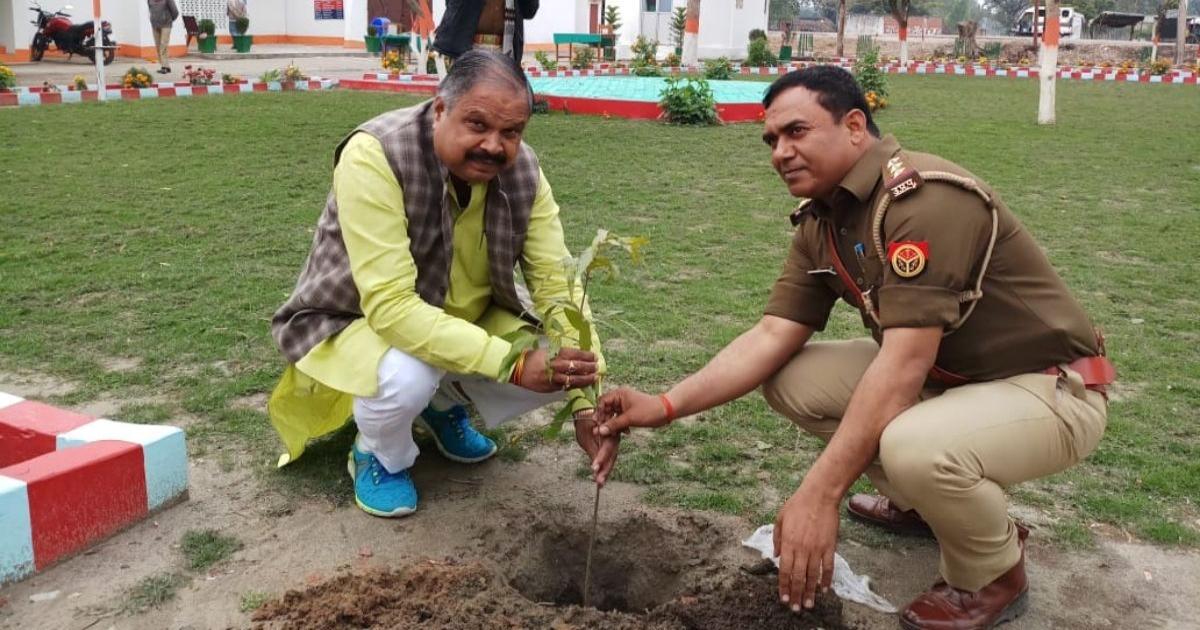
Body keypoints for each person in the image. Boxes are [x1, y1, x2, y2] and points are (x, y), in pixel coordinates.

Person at [591, 65, 1114, 629]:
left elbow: (904, 363)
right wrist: (664, 405)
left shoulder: (922, 200)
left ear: (855, 126)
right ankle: (925, 507)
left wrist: (820, 495)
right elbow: (772, 335)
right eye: (771, 140)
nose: (780, 152)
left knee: (916, 447)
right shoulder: (824, 218)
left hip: (1049, 387)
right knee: (792, 379)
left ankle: (993, 574)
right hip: (951, 376)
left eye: (796, 131)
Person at [268, 50, 616, 519]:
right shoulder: (377, 154)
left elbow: (558, 286)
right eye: (477, 124)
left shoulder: (524, 171)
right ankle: (379, 453)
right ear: (439, 110)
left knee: (567, 362)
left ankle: (440, 404)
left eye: (511, 132)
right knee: (406, 376)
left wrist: (584, 405)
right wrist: (513, 364)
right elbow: (391, 307)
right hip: (356, 321)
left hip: (463, 317)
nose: (494, 146)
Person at [433, 0, 539, 67]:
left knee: (501, 95)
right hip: (469, 49)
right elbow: (453, 5)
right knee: (466, 94)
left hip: (505, 50)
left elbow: (529, 11)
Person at [147, 0, 179, 74]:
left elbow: (175, 12)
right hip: (155, 25)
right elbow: (150, 10)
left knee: (163, 45)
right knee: (158, 46)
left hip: (166, 25)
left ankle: (164, 67)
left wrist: (169, 20)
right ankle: (165, 66)